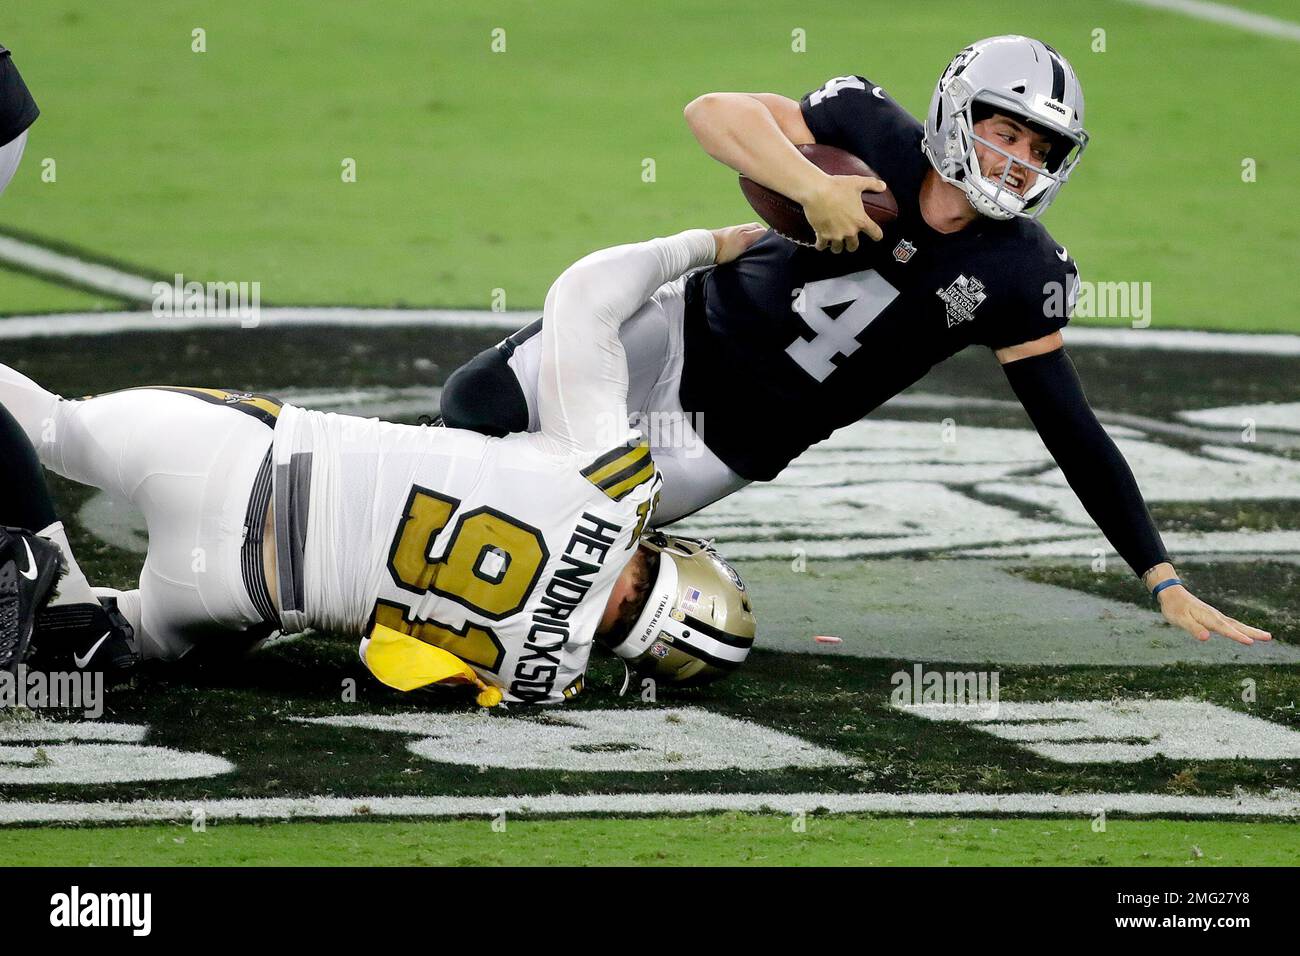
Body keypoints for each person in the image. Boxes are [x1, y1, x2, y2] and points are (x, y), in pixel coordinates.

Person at [437, 35, 1271, 648]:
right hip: (682, 331)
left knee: (557, 536)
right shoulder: (871, 130)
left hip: (725, 440)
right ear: (957, 111)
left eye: (1039, 150)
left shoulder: (1022, 271)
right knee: (473, 404)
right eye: (1006, 132)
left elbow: (1072, 430)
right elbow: (713, 114)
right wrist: (812, 188)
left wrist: (1159, 577)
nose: (1018, 162)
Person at [0, 226, 759, 702]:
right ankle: (74, 615)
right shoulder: (544, 681)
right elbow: (382, 658)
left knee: (53, 428)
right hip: (235, 592)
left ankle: (50, 580)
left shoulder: (617, 491)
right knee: (131, 641)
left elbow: (585, 297)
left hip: (242, 457)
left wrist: (706, 247)